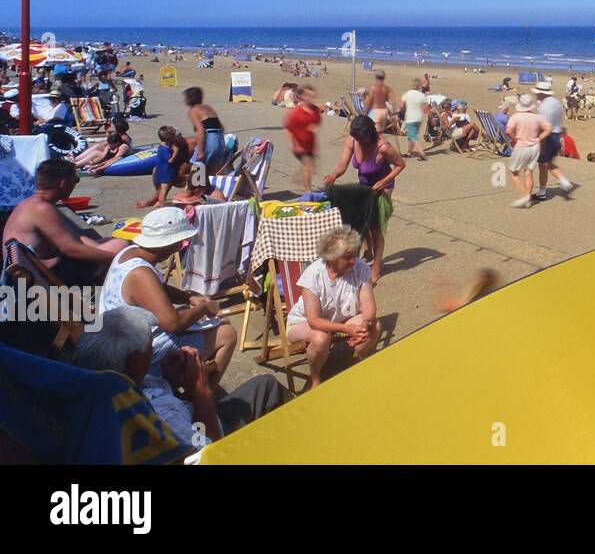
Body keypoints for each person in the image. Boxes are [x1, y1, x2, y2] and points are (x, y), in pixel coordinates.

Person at [74, 306, 287, 445]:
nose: (153, 348)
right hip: (209, 432)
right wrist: (200, 392)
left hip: (188, 418)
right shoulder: (161, 413)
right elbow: (210, 451)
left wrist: (172, 383)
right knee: (266, 386)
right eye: (150, 344)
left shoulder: (108, 384)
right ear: (134, 361)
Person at [98, 207, 236, 385]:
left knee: (198, 316)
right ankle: (203, 396)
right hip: (133, 355)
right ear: (172, 243)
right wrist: (205, 308)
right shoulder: (141, 274)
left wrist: (189, 298)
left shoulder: (129, 253)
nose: (182, 246)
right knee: (227, 333)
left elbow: (155, 288)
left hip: (119, 339)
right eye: (182, 241)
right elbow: (173, 323)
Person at [285, 228, 380, 390]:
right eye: (347, 257)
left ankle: (355, 361)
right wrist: (347, 329)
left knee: (374, 326)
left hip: (340, 317)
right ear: (331, 257)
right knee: (321, 338)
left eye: (354, 255)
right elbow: (314, 321)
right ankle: (315, 378)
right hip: (303, 322)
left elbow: (369, 306)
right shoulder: (313, 275)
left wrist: (364, 324)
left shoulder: (360, 267)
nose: (353, 261)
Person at [3, 160, 124, 286]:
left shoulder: (30, 204)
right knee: (121, 247)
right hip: (51, 279)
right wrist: (117, 258)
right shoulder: (42, 209)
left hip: (36, 273)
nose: (75, 184)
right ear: (63, 183)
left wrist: (100, 247)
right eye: (76, 180)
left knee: (116, 244)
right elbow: (72, 250)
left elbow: (73, 237)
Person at [323, 116, 405, 285]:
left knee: (375, 229)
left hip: (382, 188)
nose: (358, 141)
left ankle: (376, 268)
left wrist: (384, 181)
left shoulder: (383, 147)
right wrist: (334, 175)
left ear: (370, 134)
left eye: (361, 138)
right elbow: (342, 164)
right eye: (356, 137)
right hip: (364, 187)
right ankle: (367, 251)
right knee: (362, 222)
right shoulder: (352, 140)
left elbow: (400, 164)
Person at [504, 94, 551, 208]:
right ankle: (528, 198)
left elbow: (508, 131)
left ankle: (523, 196)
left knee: (513, 173)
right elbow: (548, 129)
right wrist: (539, 138)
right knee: (528, 172)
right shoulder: (537, 117)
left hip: (521, 146)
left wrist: (515, 138)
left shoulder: (516, 116)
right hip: (534, 147)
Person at [533, 80, 576, 200]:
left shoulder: (544, 106)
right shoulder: (556, 102)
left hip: (548, 136)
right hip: (557, 134)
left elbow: (544, 126)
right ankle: (564, 181)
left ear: (541, 93)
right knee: (548, 162)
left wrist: (540, 141)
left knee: (543, 164)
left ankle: (542, 191)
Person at [136, 126, 190, 208]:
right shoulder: (165, 149)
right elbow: (170, 161)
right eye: (173, 135)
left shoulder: (163, 146)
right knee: (163, 191)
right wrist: (176, 152)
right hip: (166, 172)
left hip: (162, 170)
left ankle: (157, 202)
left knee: (162, 189)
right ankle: (162, 204)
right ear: (169, 138)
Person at [284, 84, 323, 190]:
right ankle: (308, 191)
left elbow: (317, 122)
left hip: (310, 143)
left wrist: (313, 127)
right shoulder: (296, 112)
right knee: (308, 165)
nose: (309, 98)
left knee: (311, 166)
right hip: (299, 144)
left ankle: (300, 178)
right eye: (307, 96)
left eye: (312, 96)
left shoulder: (315, 110)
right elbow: (287, 128)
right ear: (302, 96)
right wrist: (292, 144)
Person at [183, 86, 227, 177]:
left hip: (209, 139)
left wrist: (200, 150)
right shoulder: (208, 108)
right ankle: (213, 190)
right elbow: (222, 127)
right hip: (219, 139)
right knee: (214, 171)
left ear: (189, 98)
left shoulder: (193, 111)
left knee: (196, 167)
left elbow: (200, 130)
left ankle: (196, 190)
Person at [400, 79, 429, 161]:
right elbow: (425, 107)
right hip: (419, 118)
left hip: (410, 117)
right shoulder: (421, 95)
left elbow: (401, 105)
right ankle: (409, 152)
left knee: (413, 136)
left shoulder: (407, 94)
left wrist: (404, 108)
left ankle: (422, 153)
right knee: (412, 136)